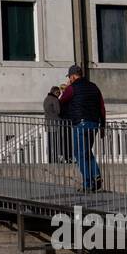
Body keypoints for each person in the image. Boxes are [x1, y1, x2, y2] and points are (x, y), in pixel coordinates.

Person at [59, 64, 105, 193]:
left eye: (70, 77)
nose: (69, 79)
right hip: (94, 123)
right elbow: (102, 107)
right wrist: (103, 126)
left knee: (79, 154)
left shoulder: (72, 88)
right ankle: (96, 175)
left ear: (73, 76)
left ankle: (87, 183)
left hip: (80, 123)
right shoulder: (94, 87)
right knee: (86, 151)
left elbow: (61, 102)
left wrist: (64, 115)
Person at [43, 86, 70, 164]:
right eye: (59, 93)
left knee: (50, 143)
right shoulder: (55, 99)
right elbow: (58, 111)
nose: (59, 94)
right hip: (55, 124)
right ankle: (56, 159)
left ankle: (51, 159)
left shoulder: (46, 99)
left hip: (48, 124)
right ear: (55, 92)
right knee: (56, 143)